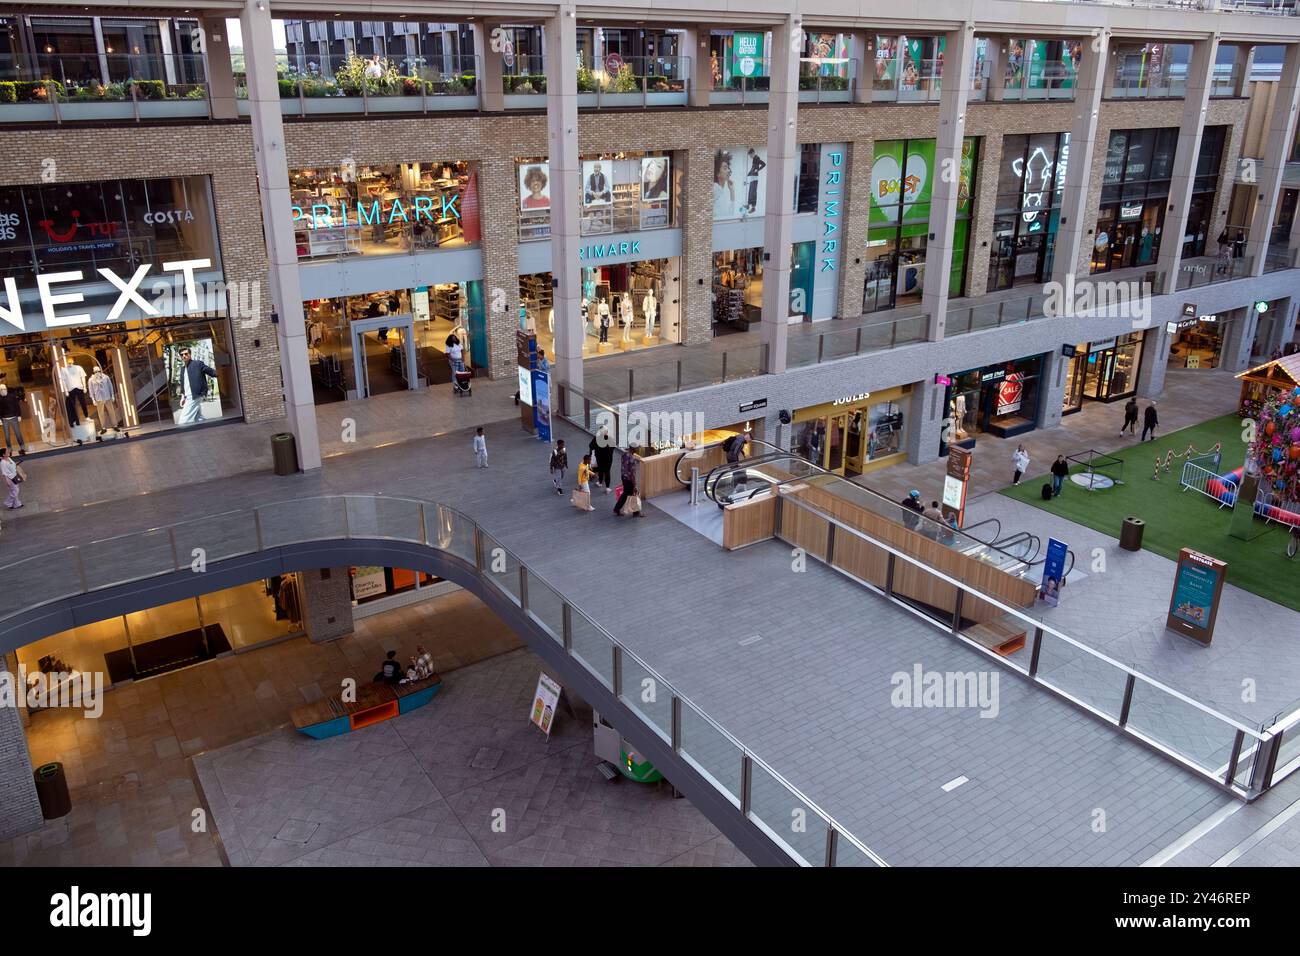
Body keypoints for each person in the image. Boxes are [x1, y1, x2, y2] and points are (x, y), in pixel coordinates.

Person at [175, 346, 218, 426]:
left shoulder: (198, 364)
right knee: (198, 418)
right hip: (188, 396)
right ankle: (208, 430)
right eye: (182, 355)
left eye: (186, 354)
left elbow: (211, 371)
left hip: (196, 395)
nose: (184, 356)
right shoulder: (182, 369)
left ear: (190, 354)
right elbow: (183, 384)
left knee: (183, 420)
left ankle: (183, 436)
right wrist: (183, 397)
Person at [613, 450, 643, 517]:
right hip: (629, 479)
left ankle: (617, 508)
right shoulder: (632, 458)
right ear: (634, 448)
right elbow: (632, 473)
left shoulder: (624, 454)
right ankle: (635, 512)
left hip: (624, 477)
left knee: (626, 493)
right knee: (633, 494)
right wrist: (634, 484)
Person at [589, 429, 615, 494]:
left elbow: (591, 446)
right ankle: (607, 488)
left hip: (599, 457)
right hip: (608, 459)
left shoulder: (597, 438)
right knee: (607, 472)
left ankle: (600, 482)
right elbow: (613, 447)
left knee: (600, 469)